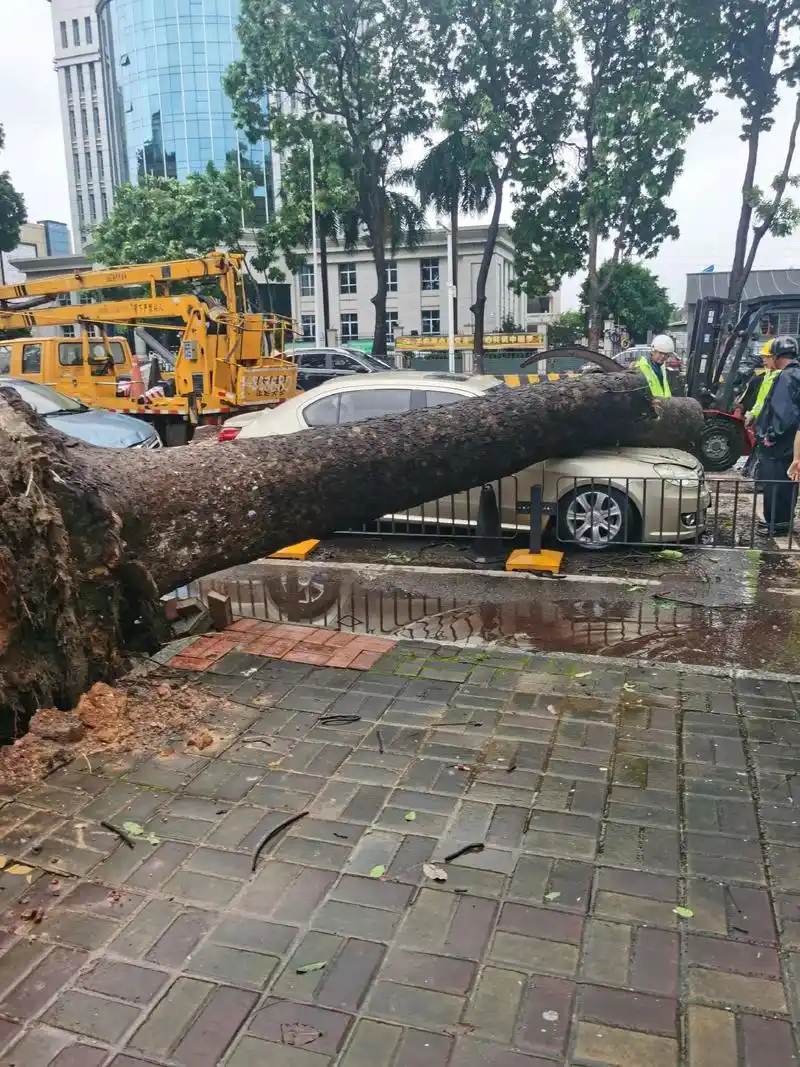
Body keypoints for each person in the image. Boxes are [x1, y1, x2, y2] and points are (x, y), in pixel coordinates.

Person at [754, 336, 800, 535]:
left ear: (777, 356)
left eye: (769, 356)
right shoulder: (796, 374)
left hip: (780, 445)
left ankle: (777, 524)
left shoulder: (785, 377)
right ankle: (781, 521)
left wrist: (770, 436)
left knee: (776, 481)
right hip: (792, 442)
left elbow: (783, 411)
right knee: (789, 480)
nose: (766, 361)